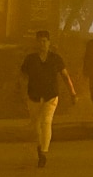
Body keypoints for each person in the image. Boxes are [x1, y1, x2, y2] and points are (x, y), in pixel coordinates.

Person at [20, 30, 76, 168]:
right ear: (36, 42)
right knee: (35, 125)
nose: (42, 44)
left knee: (46, 122)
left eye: (45, 41)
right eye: (40, 41)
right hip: (33, 96)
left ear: (49, 43)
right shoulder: (30, 59)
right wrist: (23, 93)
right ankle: (40, 146)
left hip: (51, 96)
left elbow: (65, 76)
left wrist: (73, 93)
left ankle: (43, 153)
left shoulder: (55, 59)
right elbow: (22, 77)